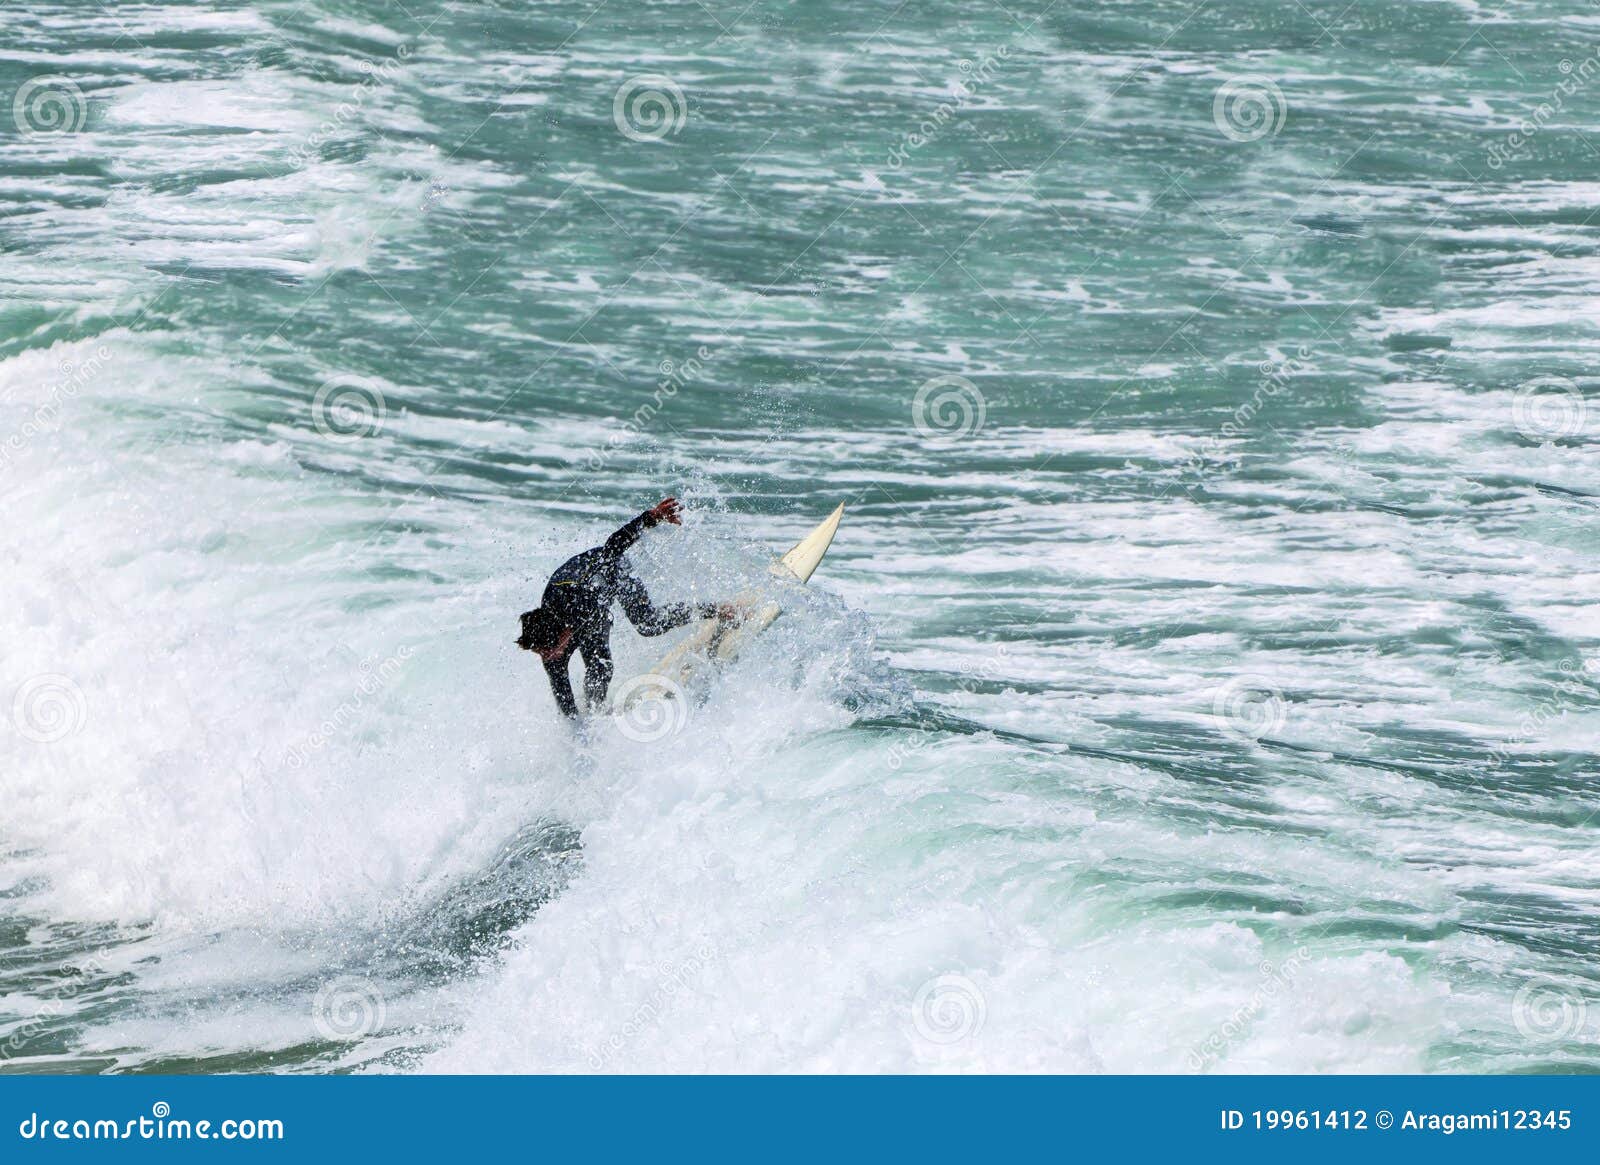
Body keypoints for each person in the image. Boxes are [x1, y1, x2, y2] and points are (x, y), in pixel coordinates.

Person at [516, 497, 735, 718]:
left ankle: (717, 609)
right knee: (578, 674)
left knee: (646, 626)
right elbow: (563, 696)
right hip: (580, 605)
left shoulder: (582, 603)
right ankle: (595, 718)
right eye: (541, 653)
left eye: (549, 652)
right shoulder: (547, 642)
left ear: (562, 634)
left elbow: (612, 548)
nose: (547, 658)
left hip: (613, 573)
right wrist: (577, 731)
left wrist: (652, 517)